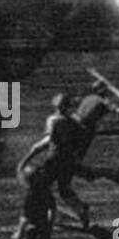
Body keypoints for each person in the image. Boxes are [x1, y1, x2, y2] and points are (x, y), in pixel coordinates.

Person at [17, 93, 89, 228]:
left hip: (54, 159)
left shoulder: (53, 120)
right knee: (64, 189)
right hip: (68, 160)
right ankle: (80, 209)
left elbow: (48, 140)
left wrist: (32, 152)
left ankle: (48, 215)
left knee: (41, 187)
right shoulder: (74, 122)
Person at [72, 80, 119, 174]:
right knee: (83, 145)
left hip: (72, 121)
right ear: (104, 90)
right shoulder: (104, 101)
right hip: (85, 126)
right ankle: (75, 165)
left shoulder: (88, 97)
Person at [12, 162, 57, 239]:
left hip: (33, 230)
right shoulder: (46, 192)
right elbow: (52, 209)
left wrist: (19, 233)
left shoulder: (30, 196)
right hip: (44, 228)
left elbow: (25, 218)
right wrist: (49, 226)